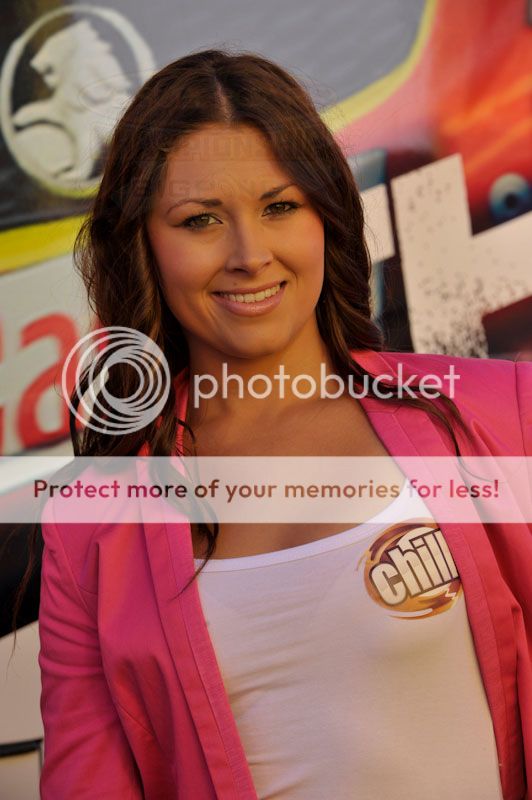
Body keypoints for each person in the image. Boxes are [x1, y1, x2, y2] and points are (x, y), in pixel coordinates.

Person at [33, 48, 531, 799]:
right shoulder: (92, 527)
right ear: (143, 245)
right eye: (200, 220)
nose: (249, 254)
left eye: (279, 206)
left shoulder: (502, 413)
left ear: (326, 214)